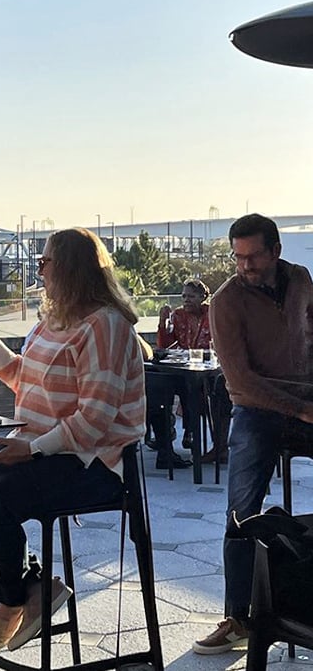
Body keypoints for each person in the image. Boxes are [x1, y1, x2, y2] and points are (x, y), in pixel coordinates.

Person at [0, 228, 146, 654]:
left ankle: (13, 598)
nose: (40, 269)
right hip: (38, 446)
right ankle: (33, 586)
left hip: (93, 462)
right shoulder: (54, 320)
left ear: (69, 268)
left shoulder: (105, 325)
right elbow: (23, 381)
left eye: (45, 261)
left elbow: (96, 421)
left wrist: (30, 449)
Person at [192, 214, 313, 655]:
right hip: (258, 409)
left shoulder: (301, 278)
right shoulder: (225, 301)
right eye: (238, 257)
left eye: (253, 256)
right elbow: (239, 380)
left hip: (306, 398)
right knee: (242, 509)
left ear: (276, 251)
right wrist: (300, 410)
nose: (245, 266)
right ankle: (238, 617)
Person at [147, 279, 213, 468]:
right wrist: (162, 324)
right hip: (182, 367)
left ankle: (190, 432)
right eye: (184, 296)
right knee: (164, 385)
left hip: (207, 369)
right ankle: (170, 433)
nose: (186, 300)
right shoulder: (178, 315)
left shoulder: (213, 314)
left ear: (203, 297)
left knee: (193, 386)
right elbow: (164, 346)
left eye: (191, 296)